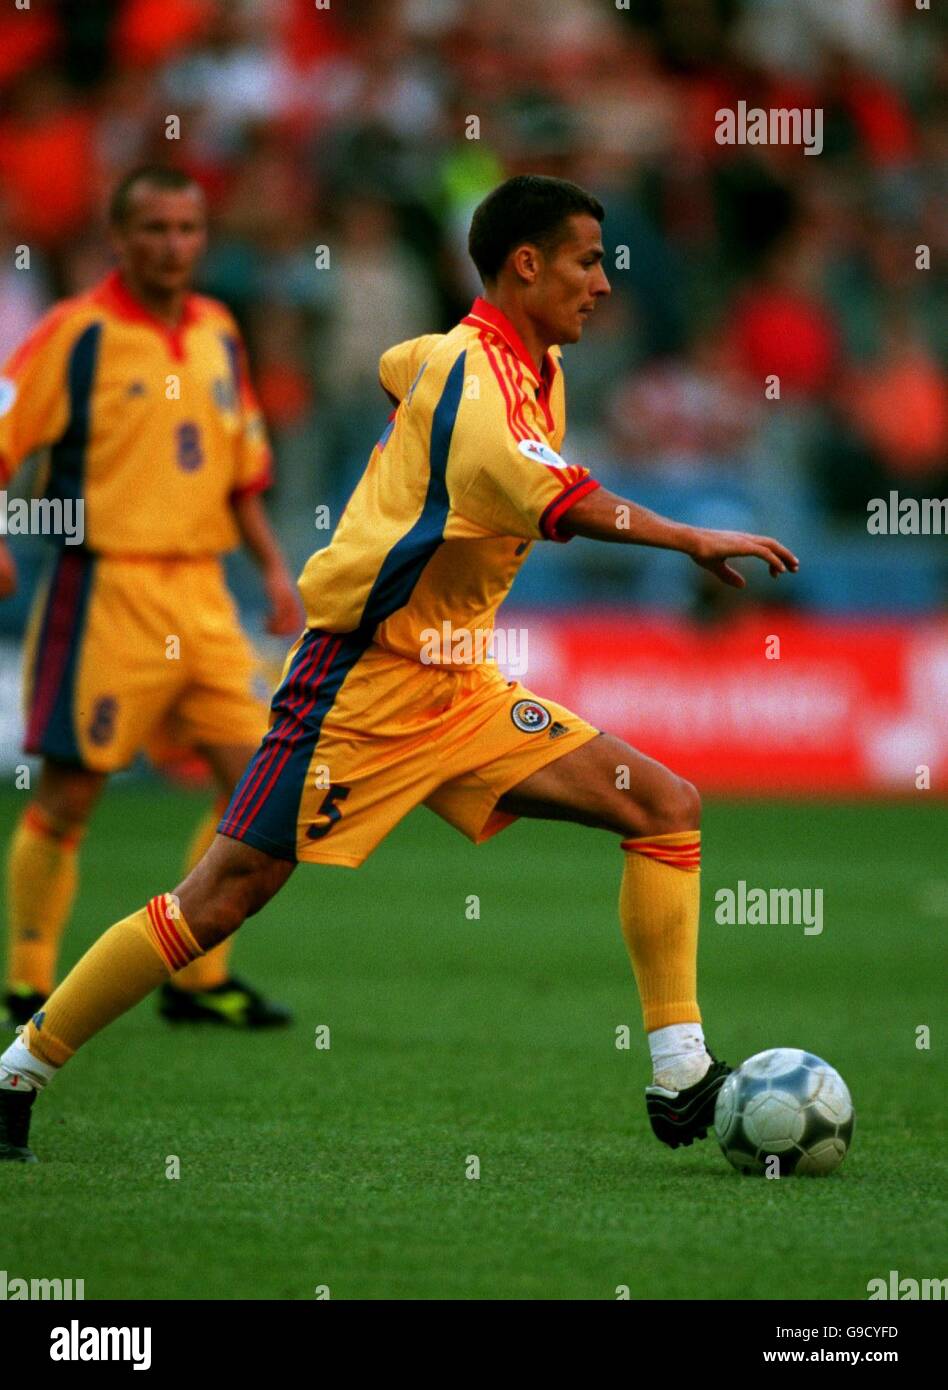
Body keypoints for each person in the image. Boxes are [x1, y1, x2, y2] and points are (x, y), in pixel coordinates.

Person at [0, 174, 798, 1162]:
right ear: (527, 265)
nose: (603, 282)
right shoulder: (476, 379)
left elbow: (397, 360)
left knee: (664, 804)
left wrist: (409, 404)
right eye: (589, 262)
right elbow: (559, 493)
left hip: (459, 687)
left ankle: (681, 1074)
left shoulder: (518, 366)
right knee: (220, 897)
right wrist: (687, 536)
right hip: (357, 686)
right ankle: (18, 1069)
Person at [0, 165, 302, 1034]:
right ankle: (25, 983)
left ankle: (198, 981)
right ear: (119, 238)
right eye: (155, 229)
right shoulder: (76, 333)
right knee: (69, 798)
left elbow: (243, 472)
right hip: (107, 587)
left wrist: (276, 573)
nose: (173, 245)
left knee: (257, 786)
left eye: (187, 229)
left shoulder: (217, 330)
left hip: (204, 591)